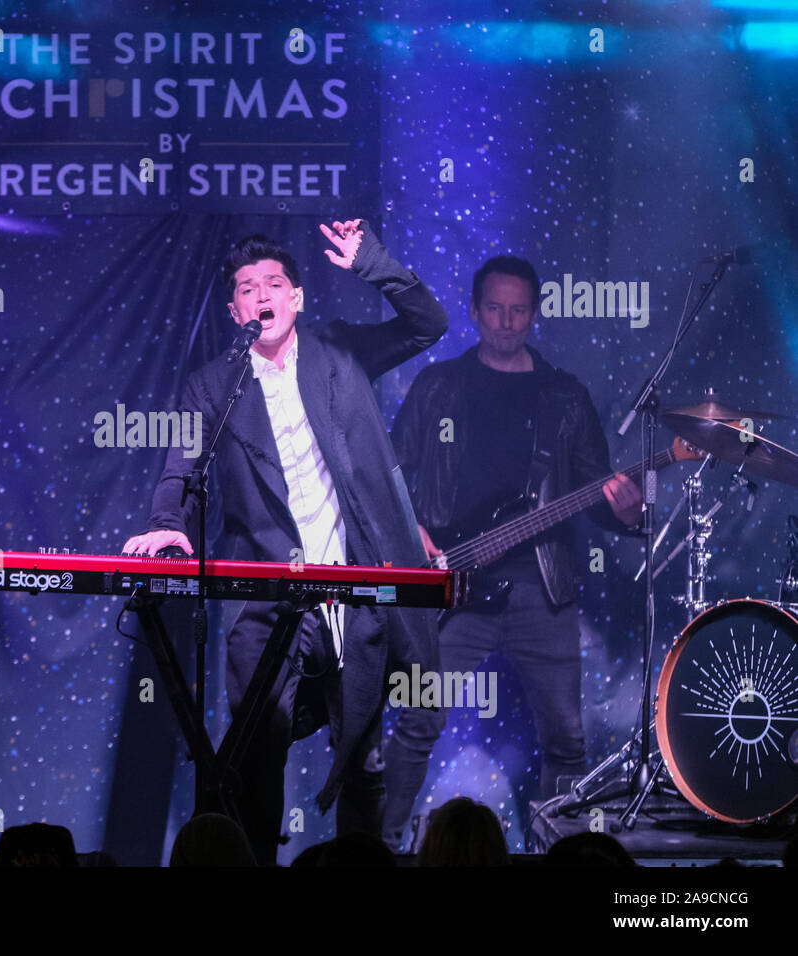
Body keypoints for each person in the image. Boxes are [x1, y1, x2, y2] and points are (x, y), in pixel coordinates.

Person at [123, 221, 448, 864]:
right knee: (253, 748)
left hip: (353, 585)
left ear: (297, 298)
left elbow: (425, 324)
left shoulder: (340, 355)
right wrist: (167, 523)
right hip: (268, 592)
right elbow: (182, 470)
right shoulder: (212, 385)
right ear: (234, 309)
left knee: (364, 754)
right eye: (249, 288)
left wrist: (374, 262)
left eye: (275, 283)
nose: (263, 295)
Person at [381, 255, 642, 850]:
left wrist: (626, 514)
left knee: (567, 741)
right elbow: (390, 474)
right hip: (451, 589)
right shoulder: (436, 386)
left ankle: (562, 858)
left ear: (535, 314)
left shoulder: (564, 396)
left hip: (541, 590)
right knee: (418, 723)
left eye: (518, 309)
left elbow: (595, 488)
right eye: (494, 308)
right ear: (474, 312)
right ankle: (380, 850)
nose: (505, 321)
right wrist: (410, 530)